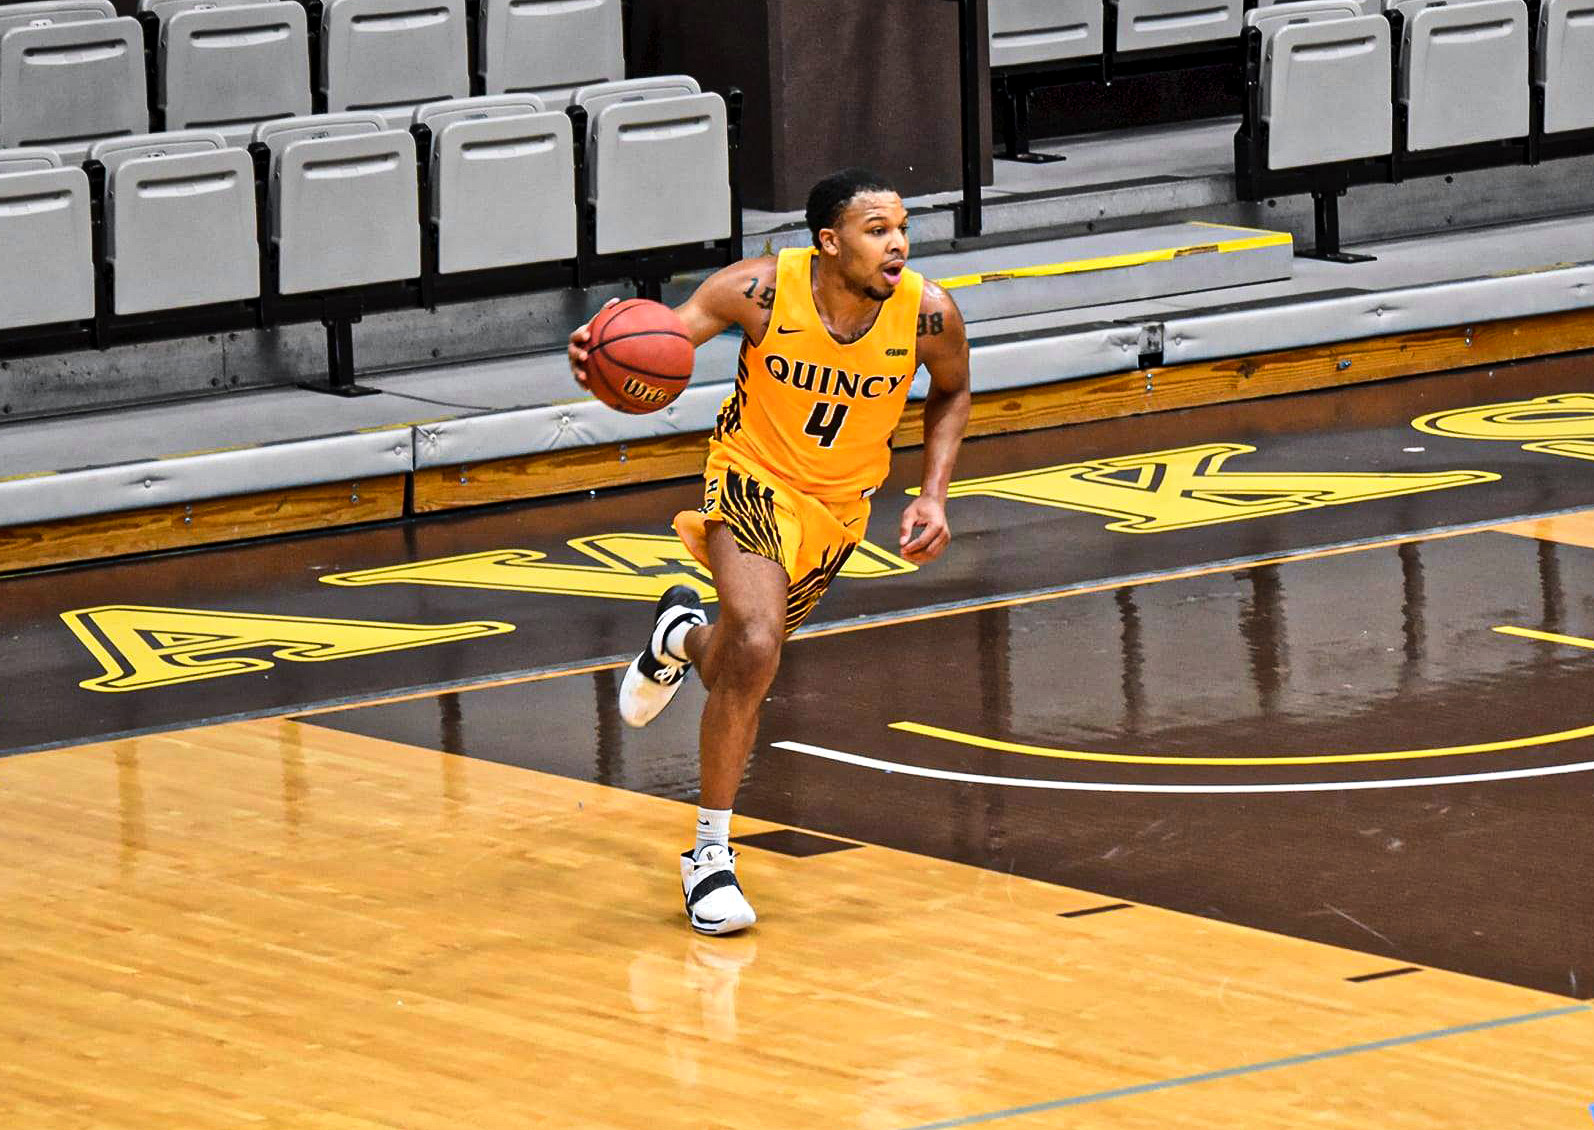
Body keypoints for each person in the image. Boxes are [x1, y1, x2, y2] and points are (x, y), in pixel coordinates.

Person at [569, 167, 971, 935]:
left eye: (901, 230)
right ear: (829, 242)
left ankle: (677, 637)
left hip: (836, 508)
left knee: (733, 660)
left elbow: (952, 390)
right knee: (756, 645)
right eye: (877, 230)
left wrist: (933, 493)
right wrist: (603, 358)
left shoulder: (927, 314)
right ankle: (710, 858)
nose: (897, 245)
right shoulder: (756, 291)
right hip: (751, 473)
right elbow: (664, 337)